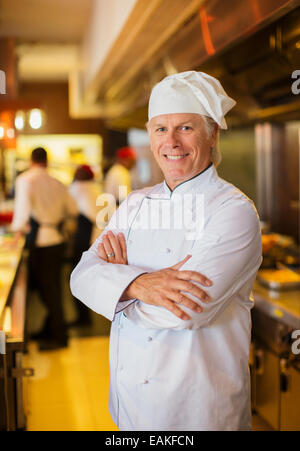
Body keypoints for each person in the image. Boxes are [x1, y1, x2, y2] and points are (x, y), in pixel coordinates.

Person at [70, 71, 262, 431]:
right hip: (127, 406)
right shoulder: (137, 203)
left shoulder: (233, 210)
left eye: (185, 128)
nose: (171, 141)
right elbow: (81, 276)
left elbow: (184, 312)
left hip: (195, 411)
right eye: (160, 129)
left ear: (212, 134)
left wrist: (115, 288)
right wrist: (140, 285)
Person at [11, 147, 78, 350]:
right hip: (56, 239)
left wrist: (17, 231)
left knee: (48, 290)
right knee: (52, 288)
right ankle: (51, 329)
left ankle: (59, 336)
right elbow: (72, 210)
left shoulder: (25, 180)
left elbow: (21, 212)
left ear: (31, 159)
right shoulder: (58, 182)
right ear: (46, 161)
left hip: (40, 241)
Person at [68, 164, 102, 325]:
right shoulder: (96, 189)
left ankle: (83, 317)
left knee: (78, 275)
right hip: (97, 237)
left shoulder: (76, 188)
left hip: (83, 237)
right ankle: (87, 315)